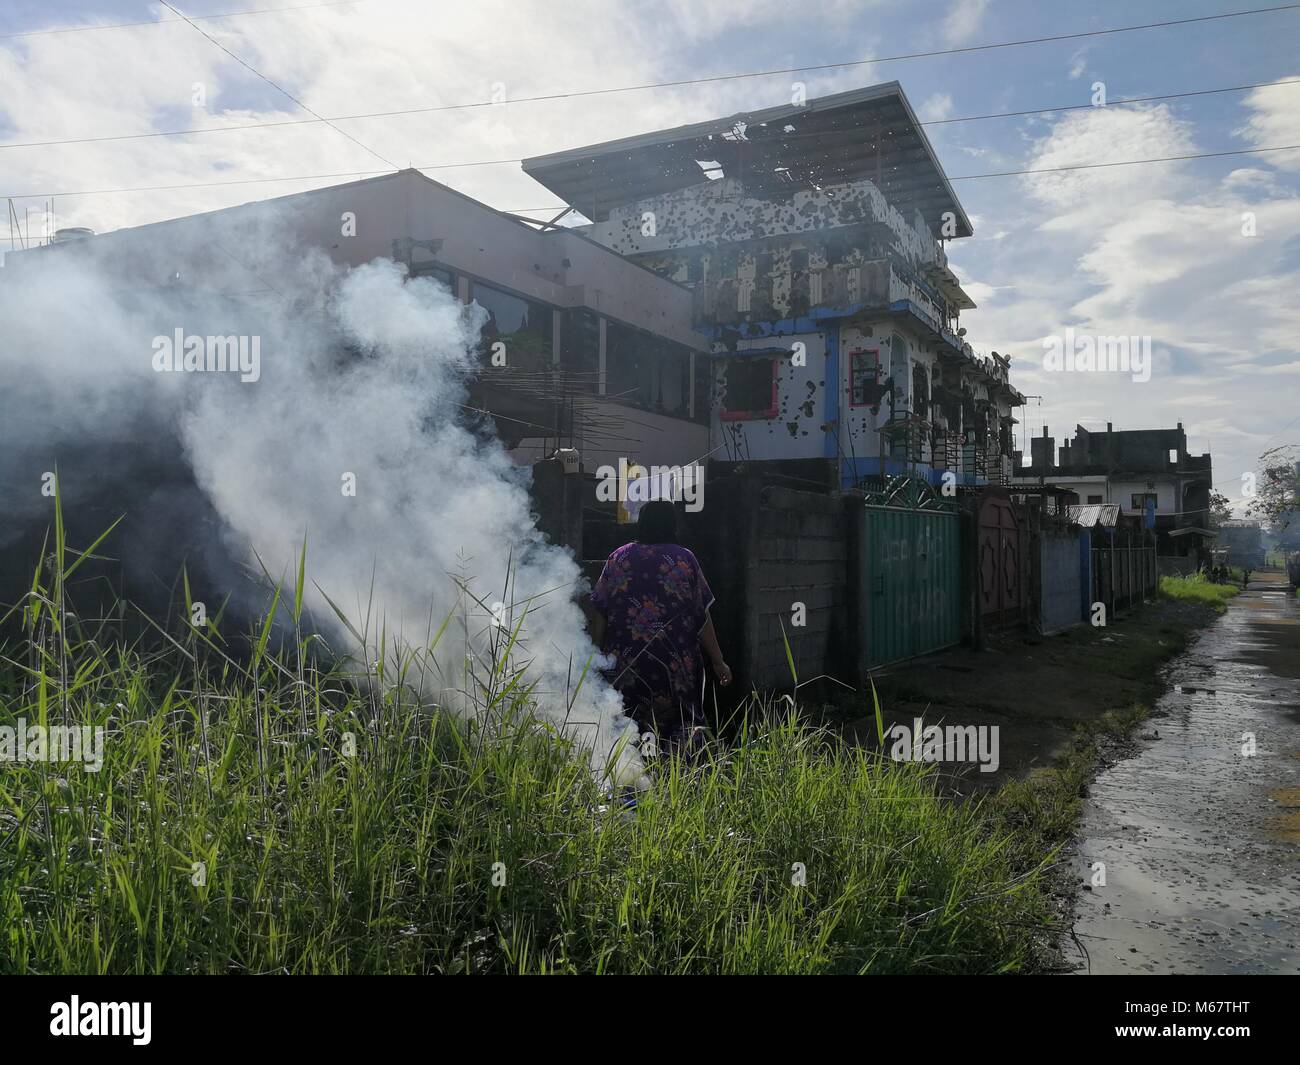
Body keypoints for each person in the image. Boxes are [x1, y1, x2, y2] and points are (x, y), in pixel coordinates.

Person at [589, 500, 730, 755]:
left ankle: (627, 773)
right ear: (672, 524)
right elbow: (702, 615)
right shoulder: (684, 559)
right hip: (675, 663)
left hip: (627, 661)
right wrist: (718, 661)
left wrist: (595, 658)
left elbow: (600, 610)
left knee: (627, 720)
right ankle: (681, 775)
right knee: (680, 723)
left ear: (641, 523)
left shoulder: (618, 557)